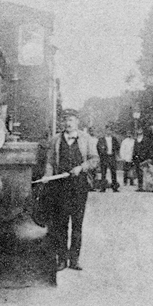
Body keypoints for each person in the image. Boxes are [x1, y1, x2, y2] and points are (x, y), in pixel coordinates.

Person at [41, 109, 98, 271]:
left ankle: (74, 260)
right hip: (60, 187)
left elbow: (95, 159)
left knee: (77, 225)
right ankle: (62, 259)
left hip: (79, 187)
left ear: (77, 122)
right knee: (61, 224)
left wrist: (81, 167)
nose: (68, 123)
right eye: (65, 120)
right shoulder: (55, 140)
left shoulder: (86, 139)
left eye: (71, 120)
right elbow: (50, 162)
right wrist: (47, 175)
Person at [95, 123, 121, 192]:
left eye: (110, 130)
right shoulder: (101, 139)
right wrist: (102, 155)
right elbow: (98, 148)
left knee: (113, 172)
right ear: (105, 131)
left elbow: (118, 147)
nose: (108, 132)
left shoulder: (114, 139)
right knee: (103, 173)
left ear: (111, 131)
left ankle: (114, 187)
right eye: (107, 130)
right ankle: (103, 188)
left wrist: (115, 153)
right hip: (104, 157)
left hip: (112, 156)